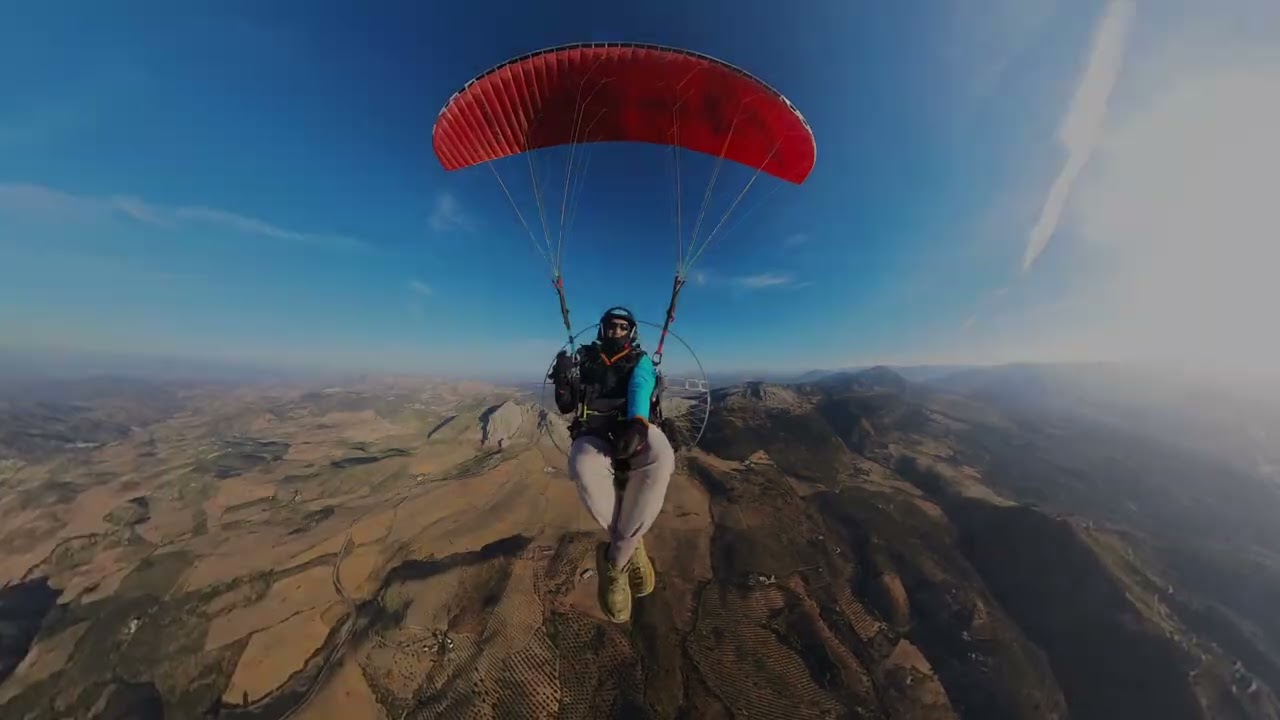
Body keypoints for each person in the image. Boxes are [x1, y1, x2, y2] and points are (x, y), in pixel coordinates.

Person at [549, 307, 676, 623]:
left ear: (631, 332)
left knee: (661, 460)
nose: (615, 332)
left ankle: (615, 561)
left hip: (636, 426)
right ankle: (631, 543)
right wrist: (563, 380)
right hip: (594, 432)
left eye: (622, 327)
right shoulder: (586, 360)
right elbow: (566, 405)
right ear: (602, 329)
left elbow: (641, 385)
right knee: (582, 466)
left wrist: (637, 422)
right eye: (610, 326)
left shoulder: (640, 360)